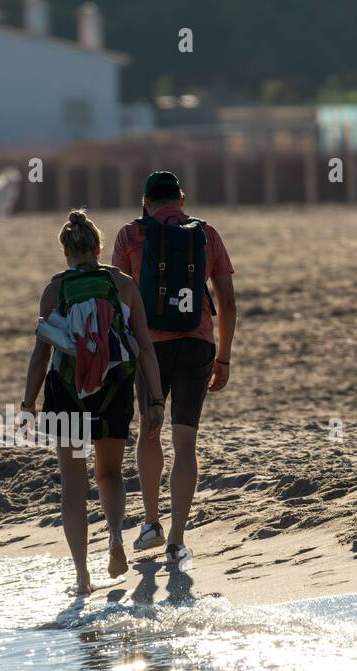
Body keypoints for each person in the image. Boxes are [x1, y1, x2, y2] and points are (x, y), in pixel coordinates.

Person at [22, 209, 165, 596]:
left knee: (73, 486)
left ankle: (82, 578)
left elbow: (41, 355)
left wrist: (27, 403)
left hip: (67, 391)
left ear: (66, 252)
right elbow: (146, 348)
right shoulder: (122, 284)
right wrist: (155, 399)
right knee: (110, 474)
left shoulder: (55, 290)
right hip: (113, 387)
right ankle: (116, 537)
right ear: (99, 248)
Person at [112, 171, 238, 570]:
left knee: (151, 428)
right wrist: (224, 358)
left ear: (145, 200)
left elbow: (118, 301)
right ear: (181, 199)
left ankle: (152, 524)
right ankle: (178, 541)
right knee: (186, 441)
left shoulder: (130, 235)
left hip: (150, 348)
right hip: (198, 342)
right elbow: (228, 301)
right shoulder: (207, 234)